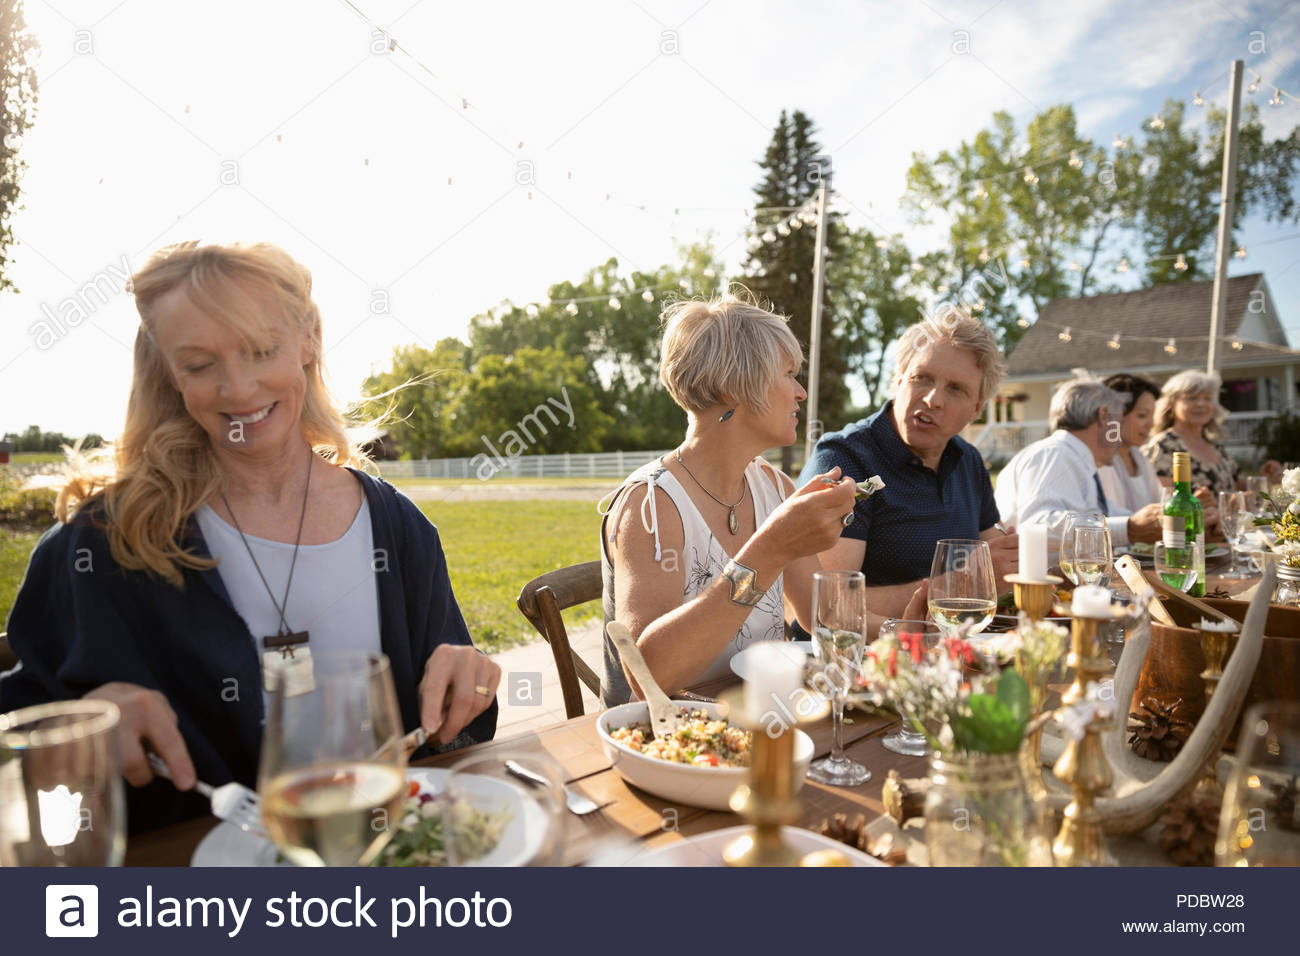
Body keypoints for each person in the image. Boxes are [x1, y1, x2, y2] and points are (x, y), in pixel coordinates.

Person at [0, 241, 498, 832]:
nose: (238, 390)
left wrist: (471, 678)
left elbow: (452, 724)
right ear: (168, 371)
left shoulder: (398, 527)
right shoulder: (107, 541)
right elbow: (21, 732)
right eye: (200, 365)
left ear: (308, 338)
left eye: (262, 350)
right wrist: (81, 724)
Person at [599, 294, 921, 708]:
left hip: (763, 719)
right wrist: (771, 549)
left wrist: (909, 630)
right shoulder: (651, 505)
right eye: (788, 374)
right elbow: (648, 677)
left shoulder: (773, 487)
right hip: (670, 745)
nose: (801, 392)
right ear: (735, 385)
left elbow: (821, 615)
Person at [799, 308, 1017, 617]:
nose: (933, 399)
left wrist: (1038, 567)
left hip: (959, 650)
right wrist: (962, 584)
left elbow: (996, 559)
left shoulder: (968, 460)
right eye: (922, 378)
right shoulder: (844, 461)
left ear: (976, 410)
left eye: (956, 389)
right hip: (865, 659)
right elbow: (826, 608)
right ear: (898, 381)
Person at [995, 378, 1163, 547]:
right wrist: (1129, 528)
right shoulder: (1055, 454)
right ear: (1104, 416)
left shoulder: (1073, 458)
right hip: (1045, 573)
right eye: (1118, 423)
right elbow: (1038, 523)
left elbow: (1106, 515)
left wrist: (1148, 520)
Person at [1143, 369, 1282, 498]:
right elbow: (1164, 501)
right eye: (1192, 398)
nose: (1201, 404)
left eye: (1207, 398)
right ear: (1172, 404)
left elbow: (1240, 488)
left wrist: (1267, 479)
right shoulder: (1162, 447)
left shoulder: (1216, 447)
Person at [1097, 373, 1163, 513]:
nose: (1151, 424)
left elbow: (1159, 506)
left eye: (1152, 416)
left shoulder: (1140, 458)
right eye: (1142, 415)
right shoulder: (1101, 462)